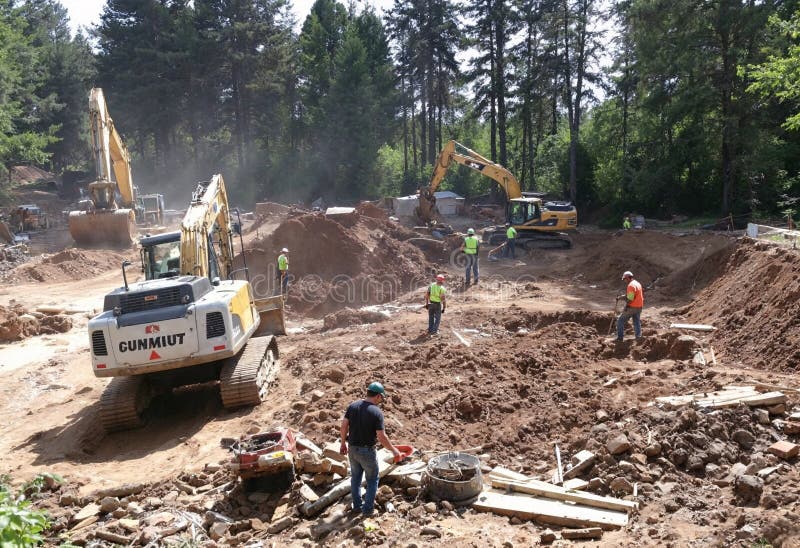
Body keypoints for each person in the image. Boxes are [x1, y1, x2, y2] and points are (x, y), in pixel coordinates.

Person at [340, 382, 402, 517]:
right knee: (372, 479)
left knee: (355, 478)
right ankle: (367, 511)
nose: (381, 401)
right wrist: (394, 450)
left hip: (352, 449)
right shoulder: (376, 412)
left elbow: (344, 425)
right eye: (382, 398)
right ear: (378, 396)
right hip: (367, 451)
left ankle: (357, 507)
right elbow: (381, 436)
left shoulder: (353, 406)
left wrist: (343, 443)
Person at [616, 270, 643, 341]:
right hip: (639, 306)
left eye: (625, 279)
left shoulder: (630, 286)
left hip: (632, 307)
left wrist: (626, 306)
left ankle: (620, 338)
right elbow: (632, 295)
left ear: (628, 278)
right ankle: (638, 337)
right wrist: (621, 297)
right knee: (636, 321)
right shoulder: (637, 283)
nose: (625, 281)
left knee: (620, 321)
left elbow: (630, 298)